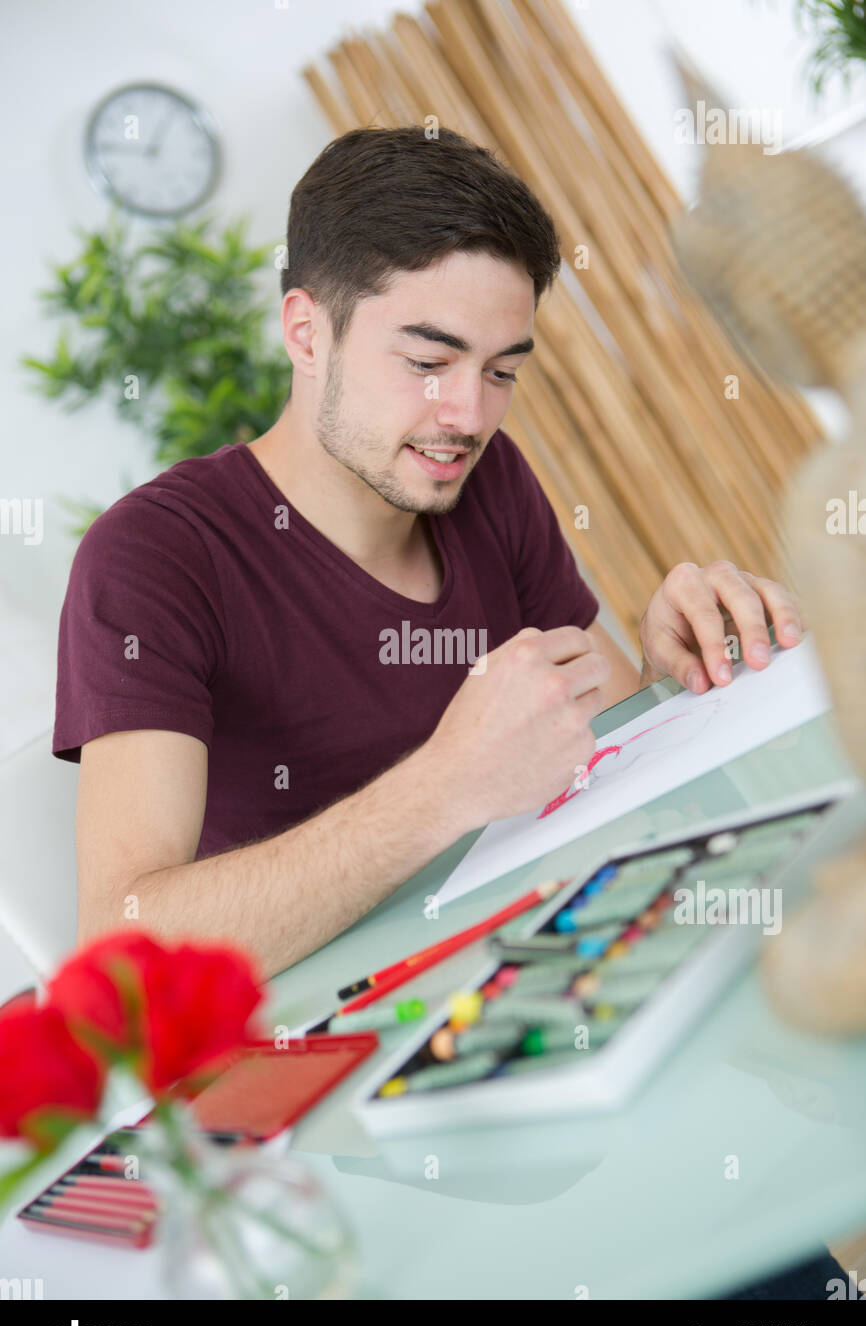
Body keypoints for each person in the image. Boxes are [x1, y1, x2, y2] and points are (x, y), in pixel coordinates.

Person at [53, 125, 804, 983]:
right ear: (306, 333)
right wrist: (444, 787)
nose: (469, 416)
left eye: (501, 372)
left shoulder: (484, 481)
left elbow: (605, 742)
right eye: (427, 360)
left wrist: (671, 691)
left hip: (533, 961)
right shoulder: (156, 557)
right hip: (317, 1036)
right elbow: (122, 957)